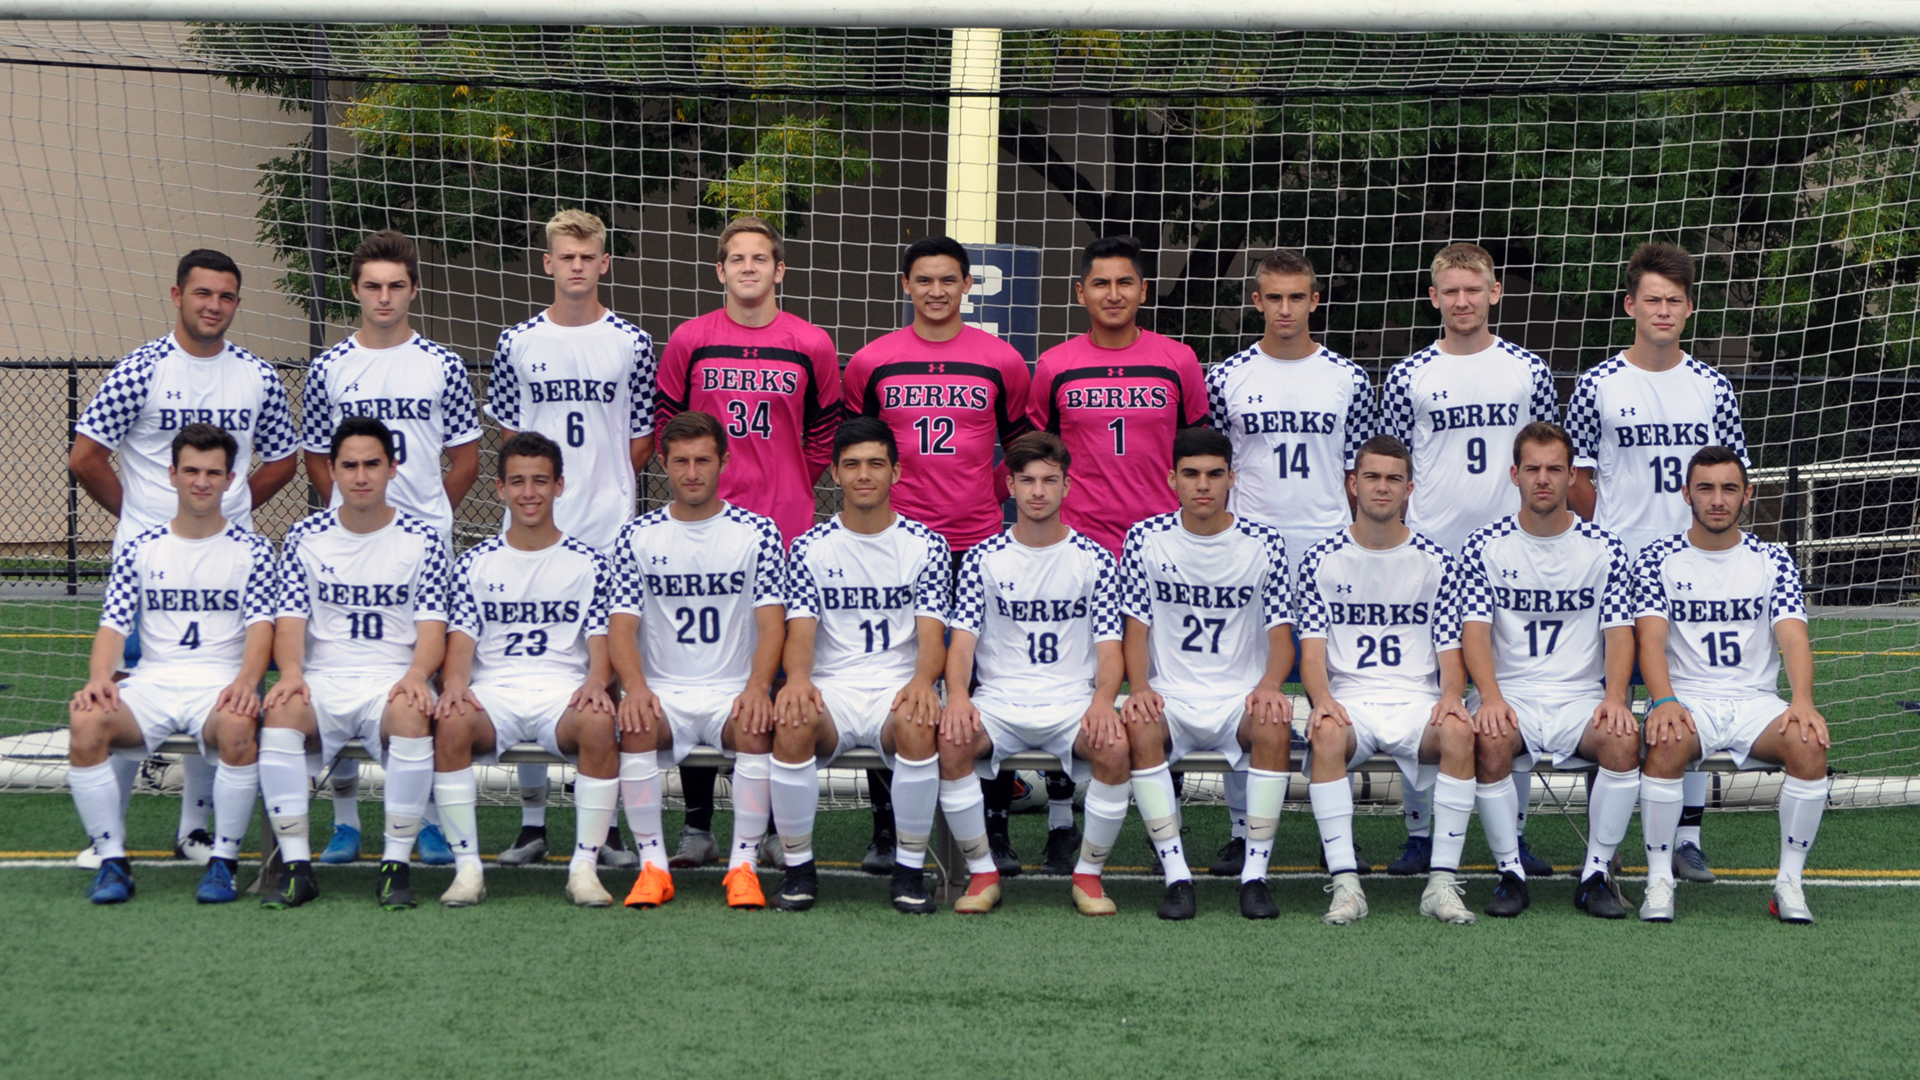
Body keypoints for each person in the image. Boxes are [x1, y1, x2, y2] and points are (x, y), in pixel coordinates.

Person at [68, 249, 298, 869]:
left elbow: (283, 458)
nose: (213, 306)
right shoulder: (140, 369)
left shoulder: (257, 376)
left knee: (220, 686)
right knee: (123, 688)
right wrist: (147, 521)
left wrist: (228, 511)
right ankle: (108, 835)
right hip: (151, 566)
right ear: (177, 296)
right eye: (202, 293)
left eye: (225, 296)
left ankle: (194, 829)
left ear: (236, 303)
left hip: (229, 563)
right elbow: (86, 456)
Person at [844, 236, 1059, 877]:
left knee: (984, 686)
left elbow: (1023, 450)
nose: (936, 291)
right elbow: (857, 444)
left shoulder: (1001, 360)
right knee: (894, 680)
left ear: (968, 285)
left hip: (974, 541)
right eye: (924, 280)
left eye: (947, 280)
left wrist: (986, 494)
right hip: (899, 544)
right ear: (905, 286)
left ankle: (995, 829)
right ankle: (887, 829)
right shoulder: (873, 361)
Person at [655, 215, 848, 873]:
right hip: (705, 525)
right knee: (700, 666)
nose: (748, 268)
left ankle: (763, 826)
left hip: (783, 523)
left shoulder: (811, 343)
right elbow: (670, 427)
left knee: (767, 673)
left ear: (779, 269)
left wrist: (792, 483)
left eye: (759, 258)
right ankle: (698, 827)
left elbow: (823, 433)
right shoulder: (691, 339)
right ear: (720, 270)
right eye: (736, 258)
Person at [1566, 241, 1752, 882]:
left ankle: (1688, 836)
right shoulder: (1597, 384)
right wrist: (1611, 537)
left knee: (1690, 692)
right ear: (1631, 306)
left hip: (1691, 569)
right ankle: (1607, 840)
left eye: (1674, 300)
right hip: (1617, 568)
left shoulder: (1713, 387)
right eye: (1653, 300)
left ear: (1689, 308)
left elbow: (1730, 476)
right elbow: (1578, 477)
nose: (1663, 310)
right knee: (1612, 696)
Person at [300, 230, 481, 868]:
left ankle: (425, 820)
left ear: (413, 290)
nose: (384, 298)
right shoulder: (329, 367)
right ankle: (346, 822)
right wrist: (351, 514)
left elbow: (465, 457)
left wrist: (424, 520)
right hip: (348, 544)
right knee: (337, 662)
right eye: (373, 286)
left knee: (418, 674)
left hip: (421, 548)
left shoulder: (442, 364)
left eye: (396, 286)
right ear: (355, 290)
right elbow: (317, 456)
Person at [1379, 243, 1559, 879]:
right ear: (1434, 298)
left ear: (1494, 293)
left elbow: (1545, 457)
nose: (1462, 301)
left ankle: (1515, 835)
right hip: (1431, 553)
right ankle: (1419, 833)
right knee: (1429, 693)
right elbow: (1394, 464)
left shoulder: (1528, 370)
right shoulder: (1408, 375)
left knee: (1508, 691)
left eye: (1473, 289)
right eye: (1450, 291)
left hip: (1511, 554)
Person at [487, 209, 654, 870]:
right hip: (534, 526)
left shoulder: (631, 342)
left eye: (588, 256)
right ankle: (532, 823)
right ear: (548, 263)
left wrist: (602, 489)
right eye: (566, 256)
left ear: (604, 263)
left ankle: (603, 828)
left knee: (603, 675)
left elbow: (640, 437)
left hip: (608, 528)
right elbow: (512, 438)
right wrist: (542, 498)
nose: (577, 266)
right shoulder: (517, 341)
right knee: (525, 662)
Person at [1203, 247, 1376, 878]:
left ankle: (1346, 832)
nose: (1285, 309)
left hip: (1329, 547)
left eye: (1296, 297)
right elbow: (1217, 465)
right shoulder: (1225, 378)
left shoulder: (1348, 379)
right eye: (1273, 297)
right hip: (1249, 549)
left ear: (1314, 301)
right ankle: (1241, 830)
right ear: (1256, 302)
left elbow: (1359, 472)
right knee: (1250, 684)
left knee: (1343, 684)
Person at [67, 424, 277, 904]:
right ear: (172, 475)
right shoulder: (141, 547)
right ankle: (112, 862)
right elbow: (113, 625)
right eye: (191, 471)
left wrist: (247, 682)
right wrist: (99, 679)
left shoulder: (255, 551)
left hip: (218, 684)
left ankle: (224, 863)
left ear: (231, 480)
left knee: (239, 726)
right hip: (153, 681)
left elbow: (262, 628)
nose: (201, 482)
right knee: (86, 720)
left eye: (213, 473)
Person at [256, 417, 449, 910]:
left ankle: (395, 867)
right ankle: (296, 868)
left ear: (392, 468)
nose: (361, 476)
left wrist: (416, 675)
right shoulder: (305, 536)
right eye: (350, 466)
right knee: (280, 711)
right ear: (332, 470)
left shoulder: (423, 538)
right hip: (322, 678)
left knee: (412, 713)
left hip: (391, 679)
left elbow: (432, 630)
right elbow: (290, 623)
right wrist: (292, 673)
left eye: (372, 464)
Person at [1632, 446, 1829, 923]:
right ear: (1686, 494)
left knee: (1809, 743)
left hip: (1754, 701)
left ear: (1747, 494)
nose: (1717, 500)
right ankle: (1659, 880)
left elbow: (1793, 637)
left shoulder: (1772, 558)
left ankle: (1789, 883)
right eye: (1705, 488)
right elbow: (1649, 640)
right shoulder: (1658, 558)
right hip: (1688, 697)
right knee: (1665, 739)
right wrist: (1663, 700)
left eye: (1728, 489)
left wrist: (1803, 701)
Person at [937, 432, 1128, 915]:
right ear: (1010, 486)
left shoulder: (1095, 559)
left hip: (1072, 700)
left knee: (1114, 746)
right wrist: (957, 696)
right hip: (1000, 700)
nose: (1038, 491)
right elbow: (962, 644)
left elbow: (1110, 648)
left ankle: (1088, 876)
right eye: (1027, 480)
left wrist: (1103, 701)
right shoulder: (983, 558)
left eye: (1049, 480)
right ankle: (982, 873)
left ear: (1067, 486)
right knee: (952, 740)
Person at [431, 432, 623, 908]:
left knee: (600, 721)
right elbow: (459, 647)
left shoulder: (590, 564)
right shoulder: (474, 563)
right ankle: (467, 869)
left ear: (560, 486)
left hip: (563, 693)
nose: (529, 492)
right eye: (517, 481)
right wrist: (454, 684)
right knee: (451, 718)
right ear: (500, 489)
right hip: (495, 692)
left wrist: (596, 682)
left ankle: (583, 867)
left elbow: (602, 645)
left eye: (540, 480)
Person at [607, 411, 789, 910]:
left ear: (723, 463)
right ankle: (653, 867)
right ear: (663, 464)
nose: (692, 472)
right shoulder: (636, 536)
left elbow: (773, 623)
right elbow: (621, 626)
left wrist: (757, 688)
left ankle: (743, 867)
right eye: (681, 461)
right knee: (636, 725)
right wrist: (635, 688)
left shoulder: (757, 532)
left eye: (703, 461)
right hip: (665, 689)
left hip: (732, 688)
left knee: (755, 726)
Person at [1458, 422, 1639, 920]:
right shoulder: (1484, 545)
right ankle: (1510, 874)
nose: (1543, 479)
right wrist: (1490, 697)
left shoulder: (1604, 546)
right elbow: (1475, 632)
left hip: (1580, 695)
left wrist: (1615, 697)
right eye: (1533, 469)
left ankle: (1595, 875)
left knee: (1623, 739)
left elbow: (1619, 632)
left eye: (1555, 469)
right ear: (1514, 475)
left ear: (1572, 476)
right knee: (1490, 738)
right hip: (1511, 691)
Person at [1117, 426, 1297, 921]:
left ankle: (1254, 877)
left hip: (1239, 696)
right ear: (1171, 479)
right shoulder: (1145, 538)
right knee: (1139, 722)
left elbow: (1282, 635)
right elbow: (1135, 628)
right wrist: (1140, 687)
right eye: (1191, 474)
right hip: (1171, 694)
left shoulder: (1264, 542)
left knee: (1274, 720)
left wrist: (1269, 686)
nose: (1203, 485)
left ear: (1232, 478)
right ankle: (1176, 877)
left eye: (1215, 474)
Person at [772, 418, 949, 914]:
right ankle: (798, 870)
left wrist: (923, 680)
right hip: (834, 689)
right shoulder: (809, 547)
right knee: (792, 718)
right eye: (851, 465)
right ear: (835, 473)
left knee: (918, 719)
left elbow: (932, 636)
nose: (864, 475)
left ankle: (909, 872)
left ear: (896, 471)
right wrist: (798, 680)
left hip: (897, 686)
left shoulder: (926, 545)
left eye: (875, 464)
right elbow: (800, 634)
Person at [1297, 435, 1475, 926]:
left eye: (1394, 479)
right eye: (1372, 477)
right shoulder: (1321, 558)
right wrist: (1321, 699)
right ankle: (1346, 887)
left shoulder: (1437, 561)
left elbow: (1451, 653)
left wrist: (1452, 696)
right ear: (1352, 484)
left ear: (1409, 488)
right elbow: (1312, 653)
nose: (1382, 487)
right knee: (1325, 731)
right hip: (1351, 699)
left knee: (1460, 730)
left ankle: (1441, 884)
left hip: (1417, 699)